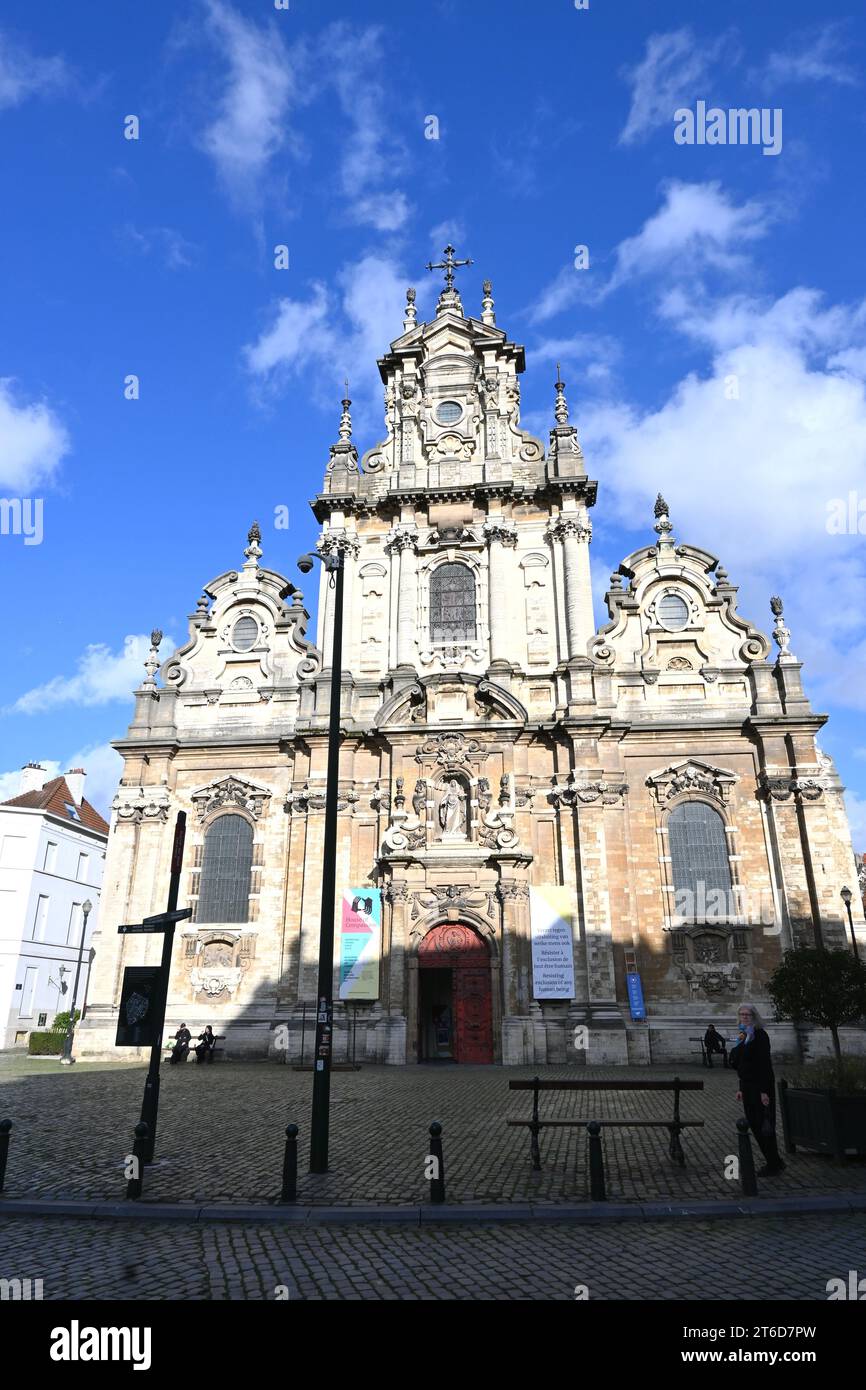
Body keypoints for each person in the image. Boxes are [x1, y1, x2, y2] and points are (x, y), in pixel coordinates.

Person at [728, 1003, 786, 1177]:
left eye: (748, 1015)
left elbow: (763, 1065)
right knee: (755, 1125)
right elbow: (737, 1063)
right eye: (742, 1015)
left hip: (760, 1088)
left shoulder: (760, 1036)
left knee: (764, 1126)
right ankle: (775, 1161)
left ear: (754, 1017)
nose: (745, 1017)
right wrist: (741, 1088)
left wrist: (763, 1092)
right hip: (747, 1087)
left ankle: (773, 1164)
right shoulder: (744, 1036)